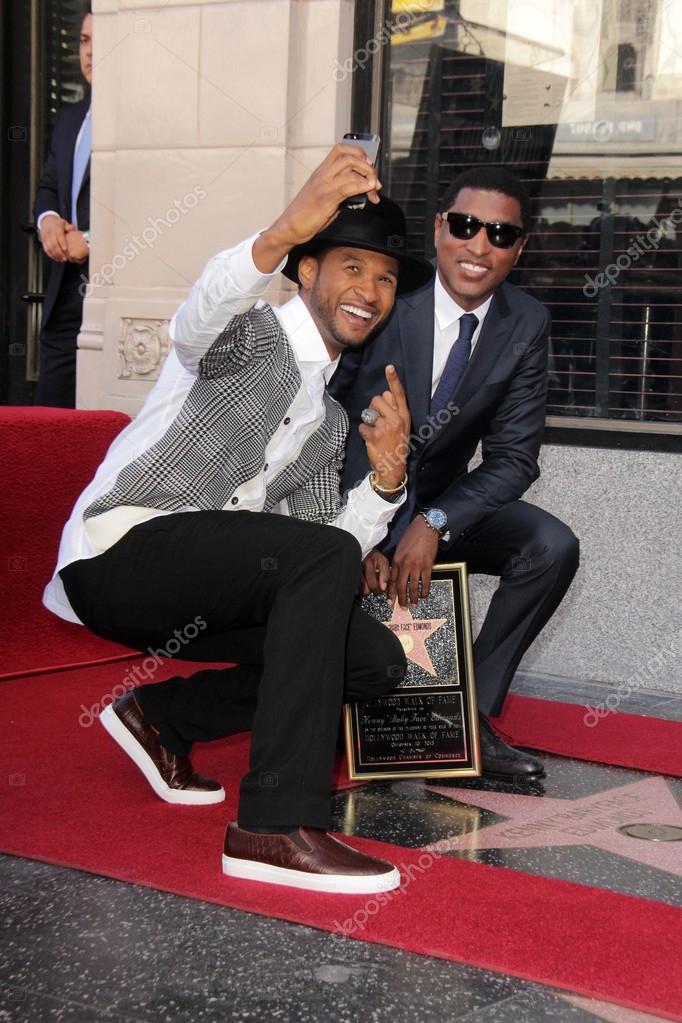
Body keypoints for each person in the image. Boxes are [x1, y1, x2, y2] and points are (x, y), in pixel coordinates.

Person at [43, 145, 434, 894]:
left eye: (385, 278)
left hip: (205, 586)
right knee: (314, 562)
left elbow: (327, 557)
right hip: (121, 553)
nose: (372, 289)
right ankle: (274, 823)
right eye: (352, 266)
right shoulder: (247, 333)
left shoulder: (326, 422)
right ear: (308, 270)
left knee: (372, 658)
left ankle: (163, 715)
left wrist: (385, 483)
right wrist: (282, 230)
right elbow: (194, 322)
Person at [330, 166, 579, 782]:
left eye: (500, 234)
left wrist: (433, 521)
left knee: (549, 547)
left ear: (518, 248)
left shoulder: (525, 322)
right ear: (440, 228)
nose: (479, 246)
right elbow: (325, 422)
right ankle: (341, 700)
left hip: (441, 503)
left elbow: (515, 457)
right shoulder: (386, 297)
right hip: (348, 496)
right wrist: (363, 530)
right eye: (466, 226)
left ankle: (465, 717)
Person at [34, 8, 92, 407]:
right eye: (84, 41)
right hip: (65, 287)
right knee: (50, 420)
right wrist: (48, 219)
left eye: (101, 42)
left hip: (114, 279)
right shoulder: (70, 116)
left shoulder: (141, 123)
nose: (89, 52)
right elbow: (49, 186)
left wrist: (93, 239)